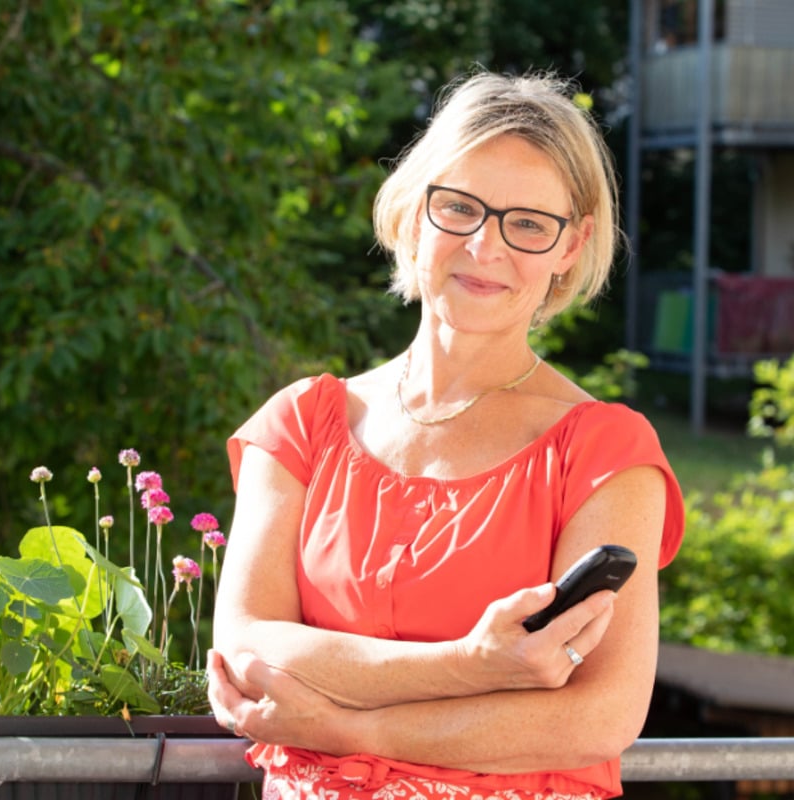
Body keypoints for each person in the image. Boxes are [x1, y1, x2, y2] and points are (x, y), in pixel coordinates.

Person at [206, 69, 686, 800]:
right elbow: (247, 646)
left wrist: (347, 729)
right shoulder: (303, 422)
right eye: (459, 207)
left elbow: (599, 717)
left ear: (572, 244)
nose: (486, 246)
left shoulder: (603, 451)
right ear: (410, 212)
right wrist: (470, 666)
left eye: (528, 223)